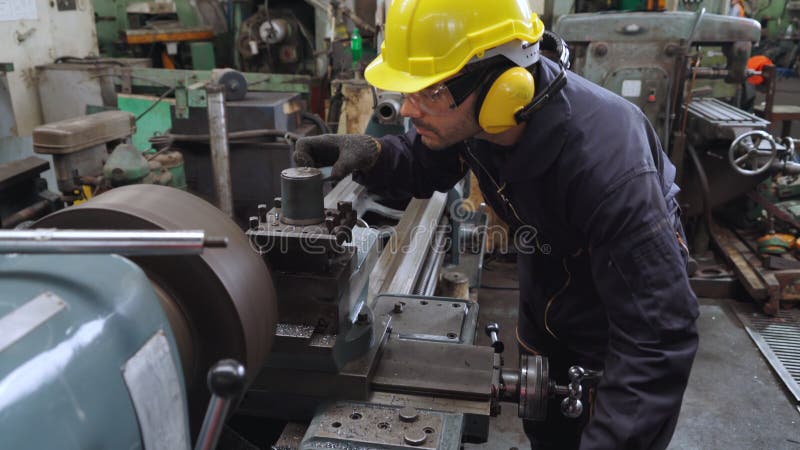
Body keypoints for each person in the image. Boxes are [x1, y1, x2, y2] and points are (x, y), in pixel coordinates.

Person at [293, 1, 699, 449]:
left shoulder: (611, 170)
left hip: (611, 335)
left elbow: (656, 340)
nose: (408, 110)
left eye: (429, 92)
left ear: (505, 86)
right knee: (547, 428)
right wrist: (372, 154)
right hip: (546, 298)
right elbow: (422, 165)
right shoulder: (478, 121)